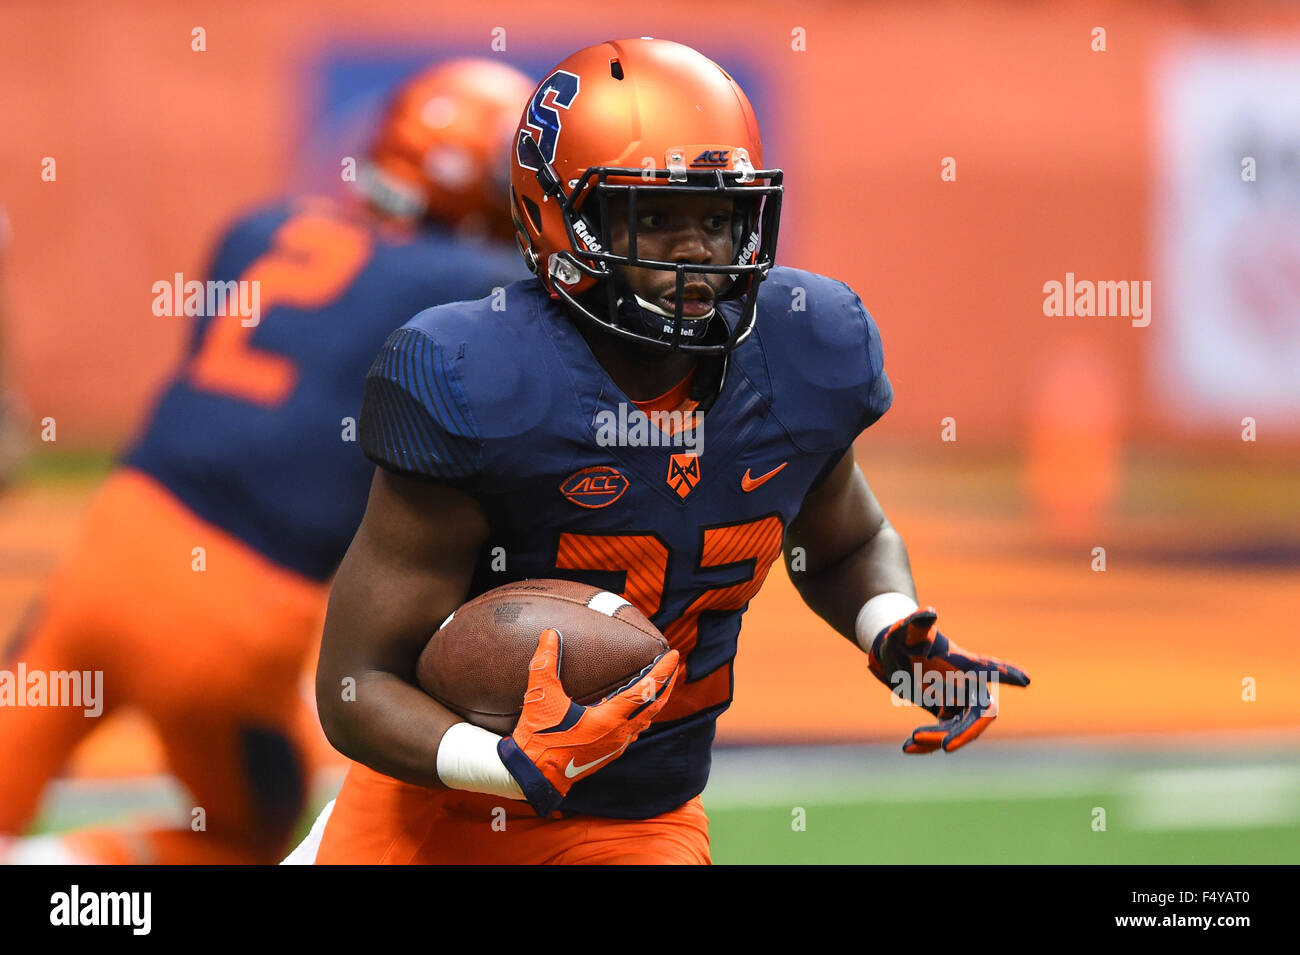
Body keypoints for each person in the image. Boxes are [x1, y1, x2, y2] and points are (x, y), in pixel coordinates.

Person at [300, 37, 1030, 865]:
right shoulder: (480, 377)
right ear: (559, 217)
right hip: (434, 808)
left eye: (716, 219)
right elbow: (358, 685)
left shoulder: (806, 349)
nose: (694, 251)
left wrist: (892, 629)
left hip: (634, 823)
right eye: (654, 217)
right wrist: (507, 763)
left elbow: (845, 542)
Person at [0, 58, 534, 865]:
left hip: (100, 561)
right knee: (250, 834)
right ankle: (62, 872)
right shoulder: (470, 289)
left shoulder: (260, 229)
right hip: (234, 621)